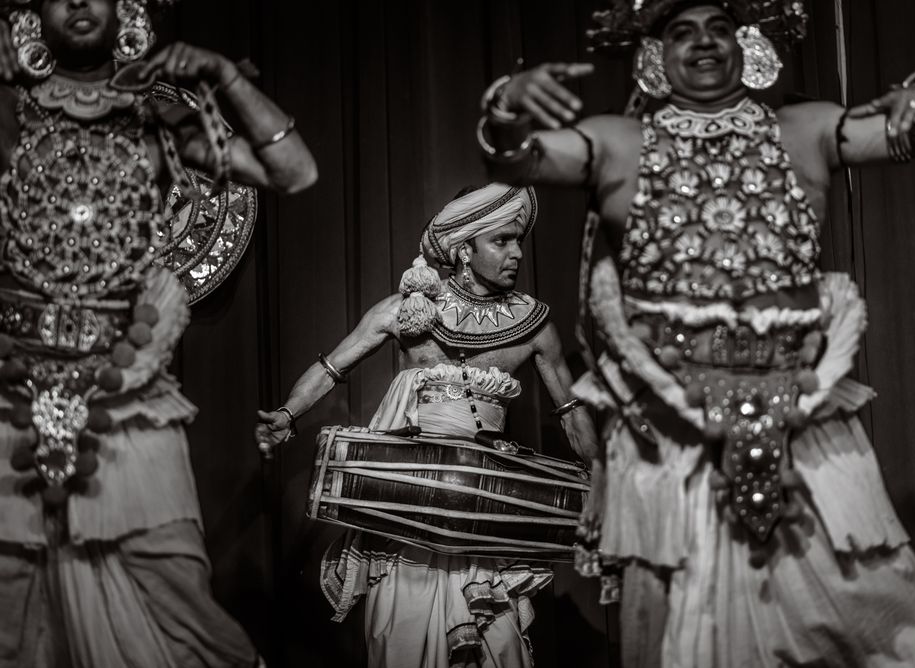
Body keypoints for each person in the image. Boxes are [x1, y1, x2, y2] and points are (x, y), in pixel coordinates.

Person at [477, 0, 915, 665]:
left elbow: (912, 135)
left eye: (719, 27)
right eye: (681, 31)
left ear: (747, 44)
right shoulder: (617, 141)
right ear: (653, 55)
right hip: (670, 425)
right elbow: (518, 160)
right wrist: (507, 105)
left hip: (800, 410)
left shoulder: (805, 128)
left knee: (871, 613)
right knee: (687, 620)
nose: (703, 41)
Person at [0, 1, 316, 666]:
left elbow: (297, 173)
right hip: (12, 397)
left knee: (176, 591)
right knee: (12, 599)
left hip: (131, 397)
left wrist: (225, 76)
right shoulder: (6, 115)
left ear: (128, 11)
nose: (81, 3)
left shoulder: (163, 120)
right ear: (33, 14)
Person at [256, 183, 598, 668]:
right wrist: (288, 414)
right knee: (405, 640)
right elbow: (332, 367)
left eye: (518, 240)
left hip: (486, 519)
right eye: (501, 241)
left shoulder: (534, 325)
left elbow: (572, 412)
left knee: (493, 646)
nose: (517, 253)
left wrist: (606, 481)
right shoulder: (410, 310)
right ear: (463, 249)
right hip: (405, 516)